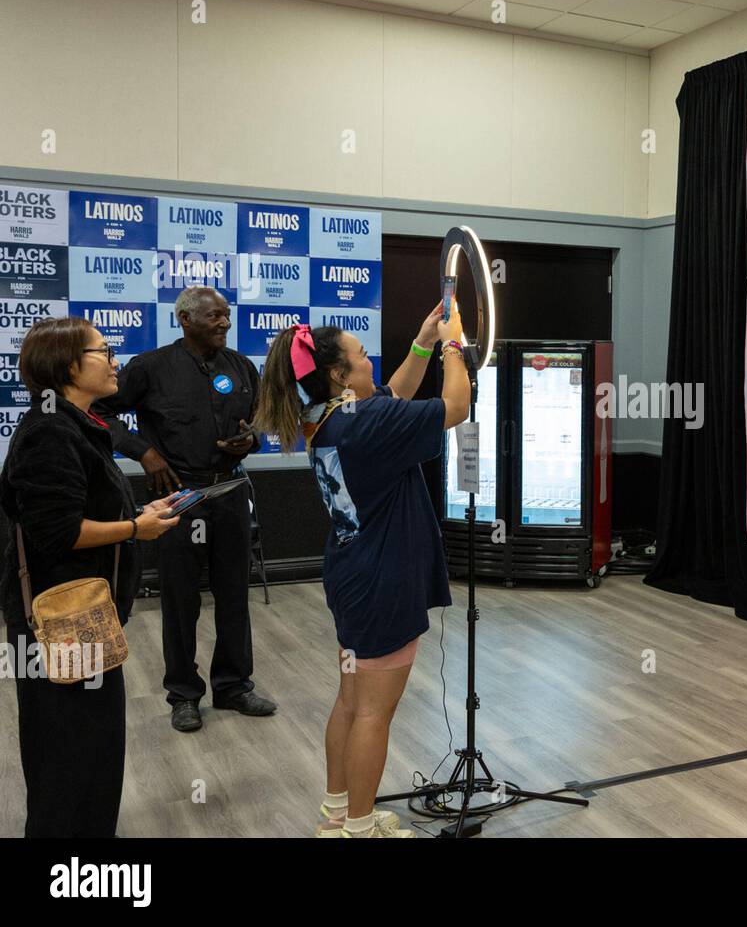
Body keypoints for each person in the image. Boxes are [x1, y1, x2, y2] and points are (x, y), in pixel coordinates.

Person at [253, 299, 469, 838]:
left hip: (352, 577)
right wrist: (453, 345)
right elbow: (455, 407)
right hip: (384, 583)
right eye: (360, 355)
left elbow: (394, 391)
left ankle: (337, 812)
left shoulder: (328, 416)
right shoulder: (365, 424)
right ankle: (360, 827)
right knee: (374, 712)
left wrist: (422, 340)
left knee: (350, 701)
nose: (370, 360)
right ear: (337, 374)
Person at [0, 317, 179, 836]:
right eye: (104, 351)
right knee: (67, 760)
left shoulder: (76, 423)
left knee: (91, 755)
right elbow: (57, 532)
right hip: (59, 624)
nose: (115, 358)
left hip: (86, 619)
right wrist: (134, 528)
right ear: (69, 367)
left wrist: (143, 513)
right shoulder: (50, 431)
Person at [94, 286, 276, 732]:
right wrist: (143, 452)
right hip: (180, 499)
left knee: (235, 592)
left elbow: (258, 422)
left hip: (230, 492)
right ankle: (184, 693)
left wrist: (249, 441)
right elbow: (97, 409)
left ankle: (233, 685)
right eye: (215, 316)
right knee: (181, 598)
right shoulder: (150, 368)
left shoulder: (240, 367)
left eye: (227, 315)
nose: (225, 323)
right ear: (186, 320)